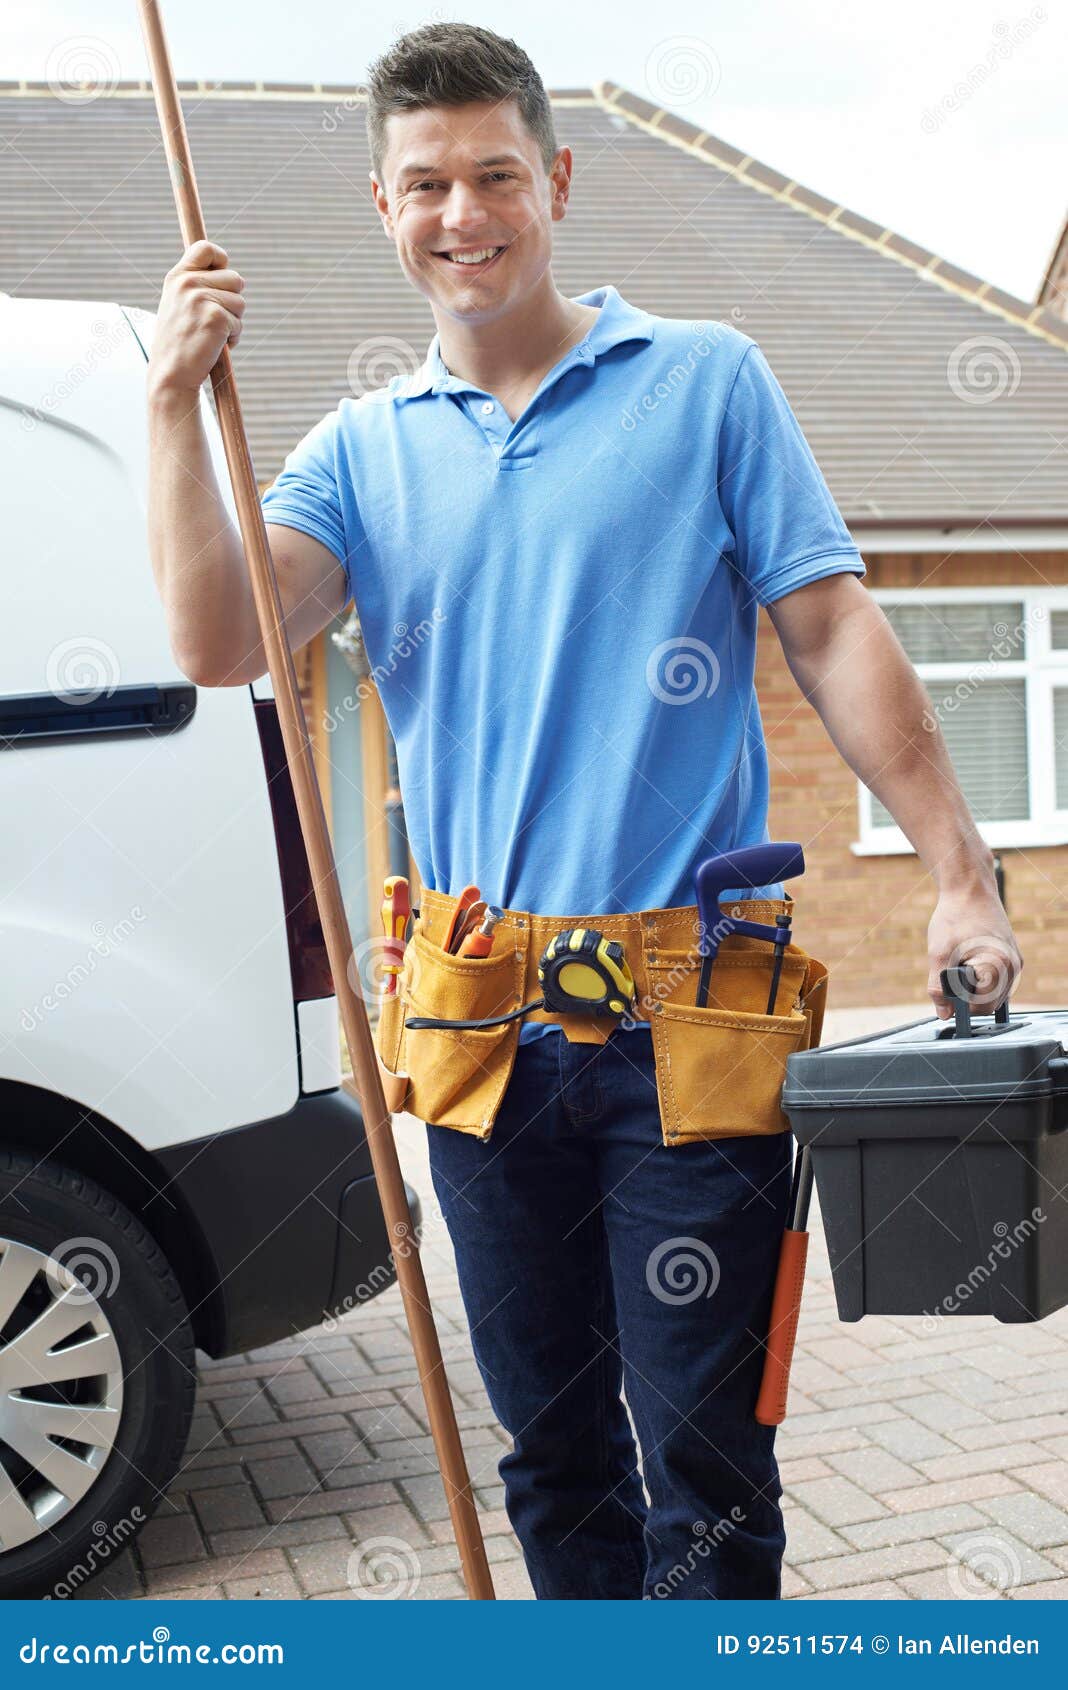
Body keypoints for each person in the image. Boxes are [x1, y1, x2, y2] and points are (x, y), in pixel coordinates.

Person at [146, 22, 1022, 1599]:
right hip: (485, 1035)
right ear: (381, 206)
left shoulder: (703, 383)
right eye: (426, 183)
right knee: (551, 1456)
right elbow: (218, 642)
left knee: (702, 1455)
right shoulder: (361, 453)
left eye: (493, 172)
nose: (461, 211)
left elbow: (831, 630)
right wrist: (169, 409)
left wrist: (962, 873)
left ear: (553, 181)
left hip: (699, 1017)